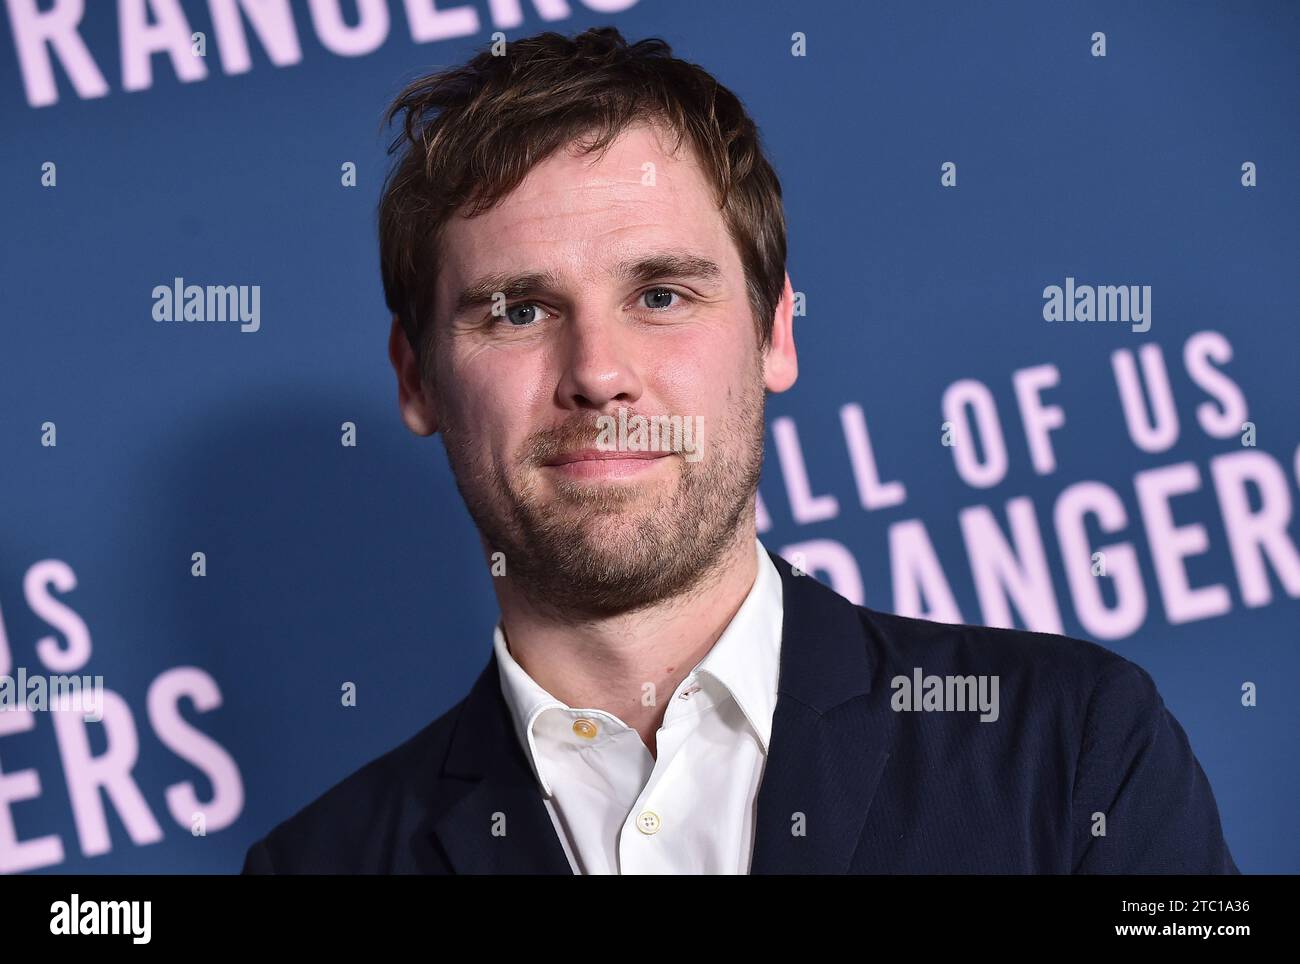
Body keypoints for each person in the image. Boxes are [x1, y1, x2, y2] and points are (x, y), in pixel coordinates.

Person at [241, 26, 1237, 875]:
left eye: (660, 295)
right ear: (416, 377)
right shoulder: (316, 866)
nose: (598, 373)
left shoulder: (1072, 749)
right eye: (519, 310)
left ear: (775, 334)